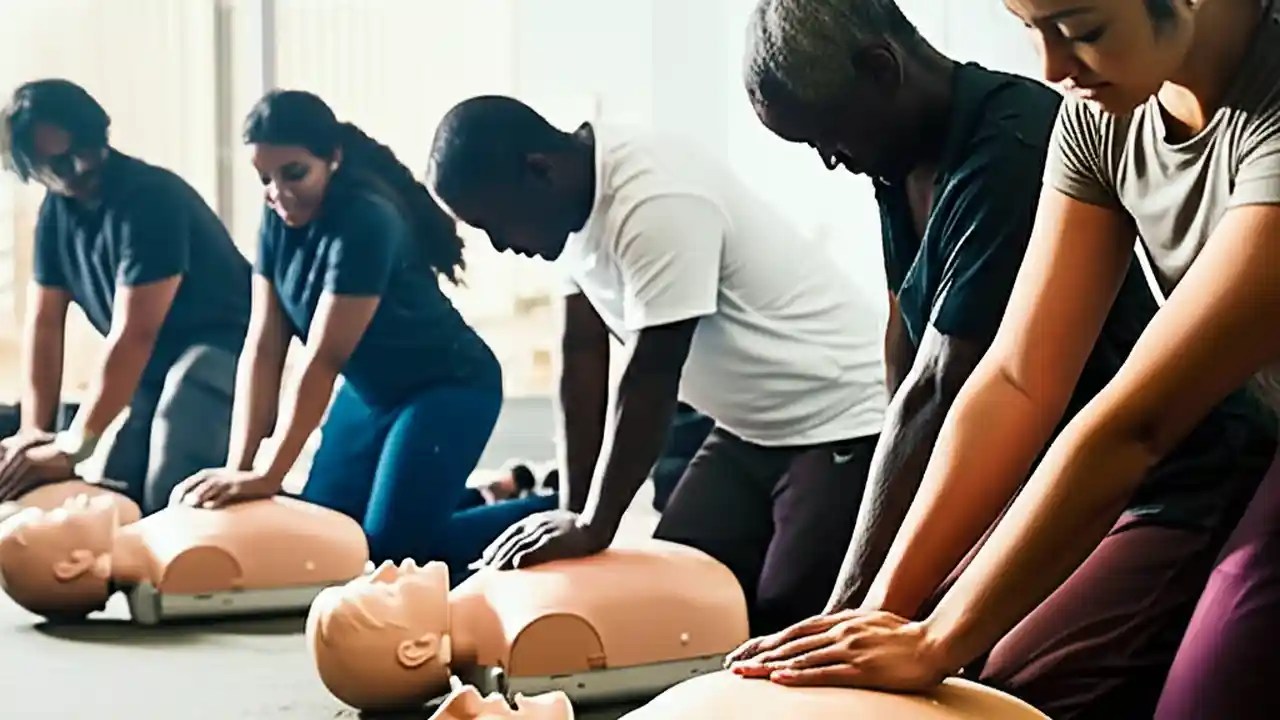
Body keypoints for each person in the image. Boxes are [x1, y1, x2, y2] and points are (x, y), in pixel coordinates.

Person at [726, 1, 1280, 719]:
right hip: (1209, 435)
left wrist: (935, 641)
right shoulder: (1098, 116)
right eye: (1030, 30)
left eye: (1083, 32)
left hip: (1208, 454)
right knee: (977, 663)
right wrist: (883, 609)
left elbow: (1137, 424)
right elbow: (1018, 378)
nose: (1050, 67)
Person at [428, 95, 888, 633]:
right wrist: (575, 514)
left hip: (844, 417)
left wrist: (597, 525)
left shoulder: (653, 197)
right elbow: (581, 360)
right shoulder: (570, 207)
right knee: (676, 608)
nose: (499, 244)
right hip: (749, 429)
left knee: (782, 620)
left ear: (539, 171)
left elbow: (650, 374)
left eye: (494, 223)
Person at [170, 90, 554, 578]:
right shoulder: (276, 219)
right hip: (371, 392)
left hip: (446, 387)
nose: (279, 192)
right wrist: (239, 467)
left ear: (332, 158)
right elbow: (264, 348)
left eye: (294, 173)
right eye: (265, 178)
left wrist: (269, 474)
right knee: (328, 532)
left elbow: (322, 360)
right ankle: (489, 491)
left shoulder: (365, 219)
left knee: (390, 552)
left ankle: (558, 505)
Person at [0, 79, 251, 513]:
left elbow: (134, 333)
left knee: (169, 472)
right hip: (153, 363)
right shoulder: (56, 214)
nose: (80, 166)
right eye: (59, 162)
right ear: (30, 167)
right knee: (115, 483)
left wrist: (74, 446)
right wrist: (35, 433)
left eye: (87, 148)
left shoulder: (150, 199)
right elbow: (44, 325)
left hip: (223, 348)